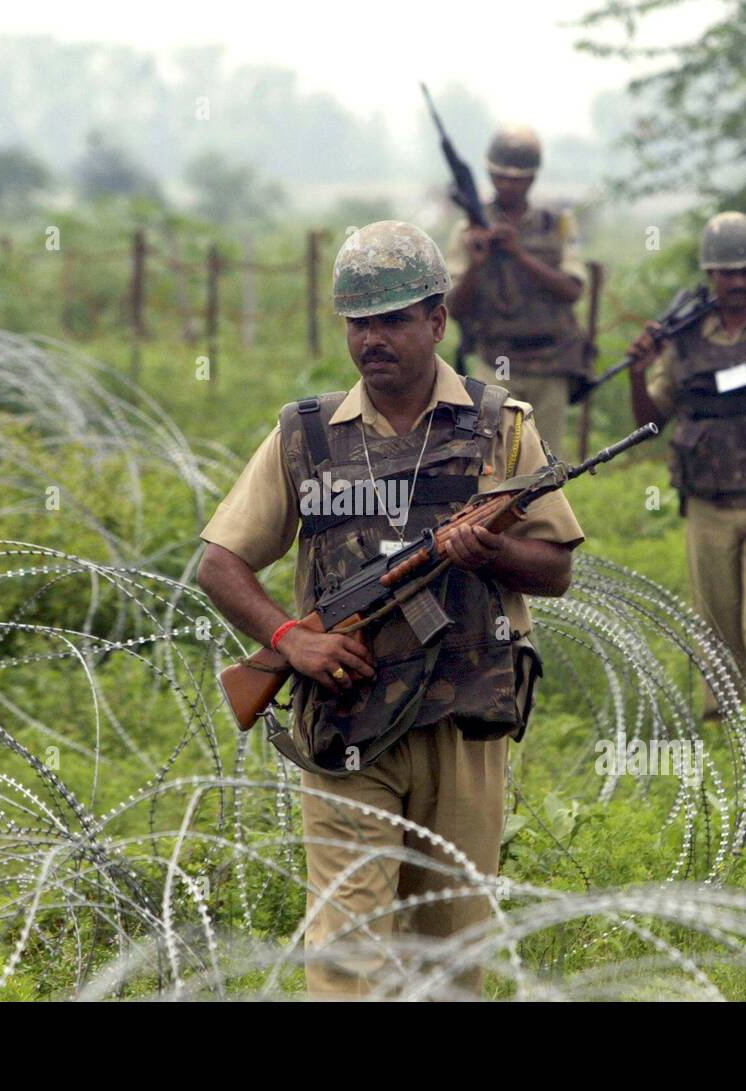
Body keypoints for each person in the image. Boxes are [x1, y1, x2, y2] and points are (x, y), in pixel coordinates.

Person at [196, 220, 584, 998]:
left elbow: (556, 567)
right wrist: (289, 639)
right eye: (359, 321)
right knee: (346, 956)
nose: (374, 338)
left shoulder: (500, 427)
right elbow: (218, 563)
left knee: (449, 958)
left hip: (464, 723)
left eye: (394, 319)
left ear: (437, 321)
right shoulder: (305, 435)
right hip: (348, 724)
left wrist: (489, 550)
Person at [627, 212, 746, 707]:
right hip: (709, 507)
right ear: (710, 276)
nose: (736, 282)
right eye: (726, 272)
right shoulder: (682, 343)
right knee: (716, 629)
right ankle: (726, 732)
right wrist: (637, 372)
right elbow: (651, 422)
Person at [445, 124, 588, 457]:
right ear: (490, 175)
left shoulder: (558, 225)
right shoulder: (468, 228)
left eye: (519, 177)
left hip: (550, 364)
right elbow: (453, 307)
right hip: (495, 361)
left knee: (548, 466)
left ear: (533, 178)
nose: (509, 185)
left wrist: (518, 254)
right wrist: (477, 264)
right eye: (501, 176)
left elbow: (572, 289)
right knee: (490, 464)